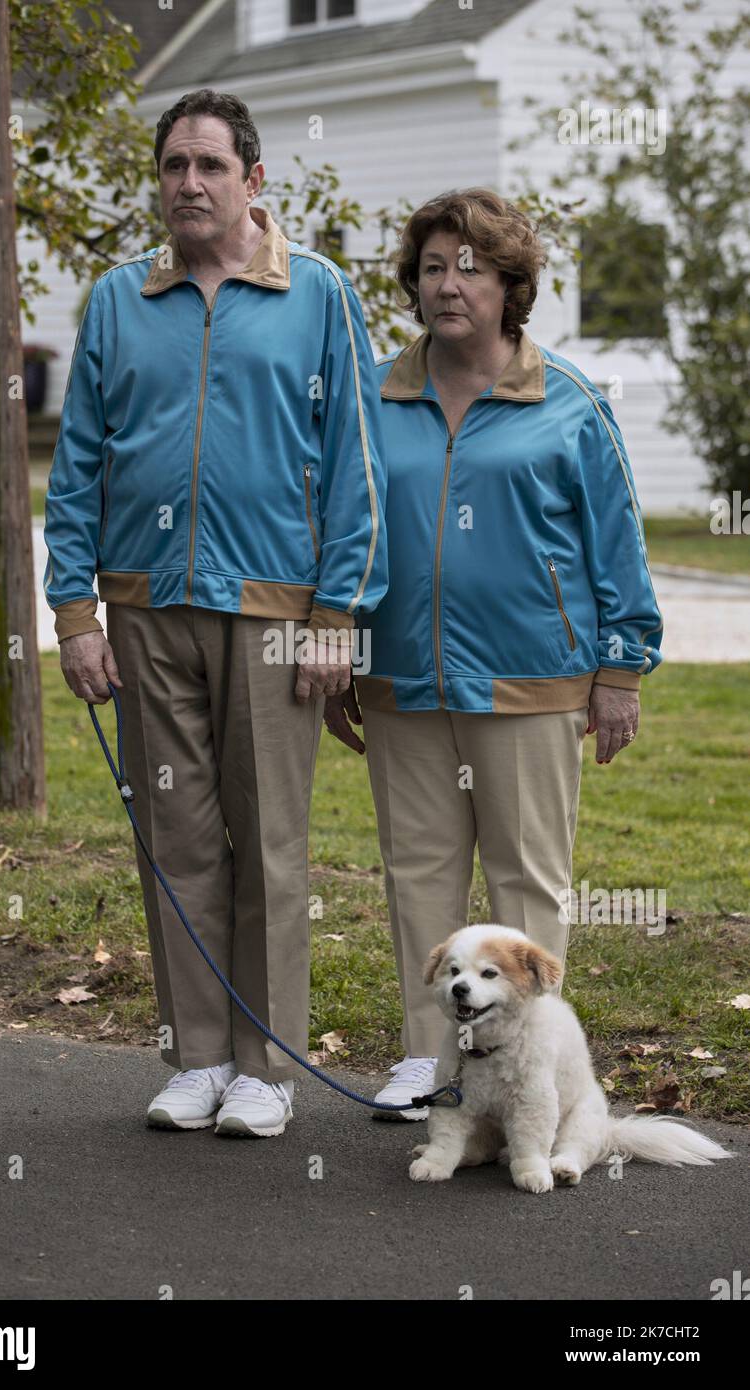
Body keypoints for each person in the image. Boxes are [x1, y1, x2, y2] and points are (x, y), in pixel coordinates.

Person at [43, 89, 387, 1138]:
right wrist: (73, 609)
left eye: (209, 166)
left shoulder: (317, 293)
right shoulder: (115, 299)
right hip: (144, 611)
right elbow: (78, 465)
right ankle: (196, 1057)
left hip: (277, 611)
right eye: (173, 167)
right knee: (176, 839)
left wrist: (338, 613)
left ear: (253, 178)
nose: (188, 184)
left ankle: (268, 1064)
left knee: (270, 845)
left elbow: (356, 465)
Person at [323, 188, 663, 1120]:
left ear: (511, 286)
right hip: (401, 682)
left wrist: (622, 668)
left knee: (525, 890)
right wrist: (341, 647)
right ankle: (431, 1065)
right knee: (419, 880)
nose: (448, 284)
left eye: (470, 267)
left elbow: (617, 542)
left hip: (535, 681)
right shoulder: (374, 398)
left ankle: (528, 1079)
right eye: (432, 267)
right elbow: (342, 532)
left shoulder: (570, 404)